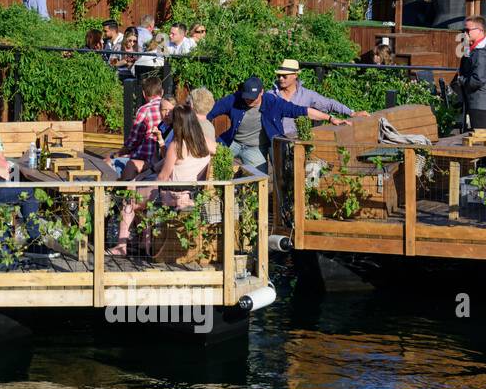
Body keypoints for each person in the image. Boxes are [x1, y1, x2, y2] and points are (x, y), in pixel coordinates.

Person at [112, 101, 217, 256]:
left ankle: (121, 246)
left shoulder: (177, 146)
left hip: (169, 194)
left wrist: (141, 181)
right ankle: (143, 241)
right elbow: (221, 152)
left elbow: (162, 177)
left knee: (130, 198)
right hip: (191, 193)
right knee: (141, 189)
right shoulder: (206, 143)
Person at [208, 75, 348, 173]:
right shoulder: (234, 99)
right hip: (232, 142)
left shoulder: (273, 103)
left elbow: (302, 110)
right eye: (246, 98)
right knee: (209, 166)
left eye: (253, 98)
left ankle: (255, 213)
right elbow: (208, 113)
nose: (249, 101)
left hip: (255, 148)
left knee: (259, 181)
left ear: (262, 92)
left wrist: (330, 118)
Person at [272, 58, 368, 139]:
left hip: (296, 141)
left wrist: (352, 113)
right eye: (278, 75)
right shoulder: (271, 95)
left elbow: (330, 104)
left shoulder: (307, 95)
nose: (280, 78)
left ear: (295, 75)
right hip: (273, 141)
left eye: (284, 76)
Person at [113, 73, 164, 180]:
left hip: (146, 158)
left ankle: (116, 191)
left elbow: (133, 142)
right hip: (163, 158)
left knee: (109, 163)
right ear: (162, 92)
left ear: (144, 93)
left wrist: (119, 153)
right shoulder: (172, 108)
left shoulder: (144, 110)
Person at [453, 15, 486, 130]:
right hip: (485, 100)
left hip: (480, 102)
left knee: (481, 141)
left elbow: (477, 80)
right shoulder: (480, 48)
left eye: (467, 30)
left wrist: (462, 80)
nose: (465, 33)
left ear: (480, 31)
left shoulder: (480, 53)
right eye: (463, 30)